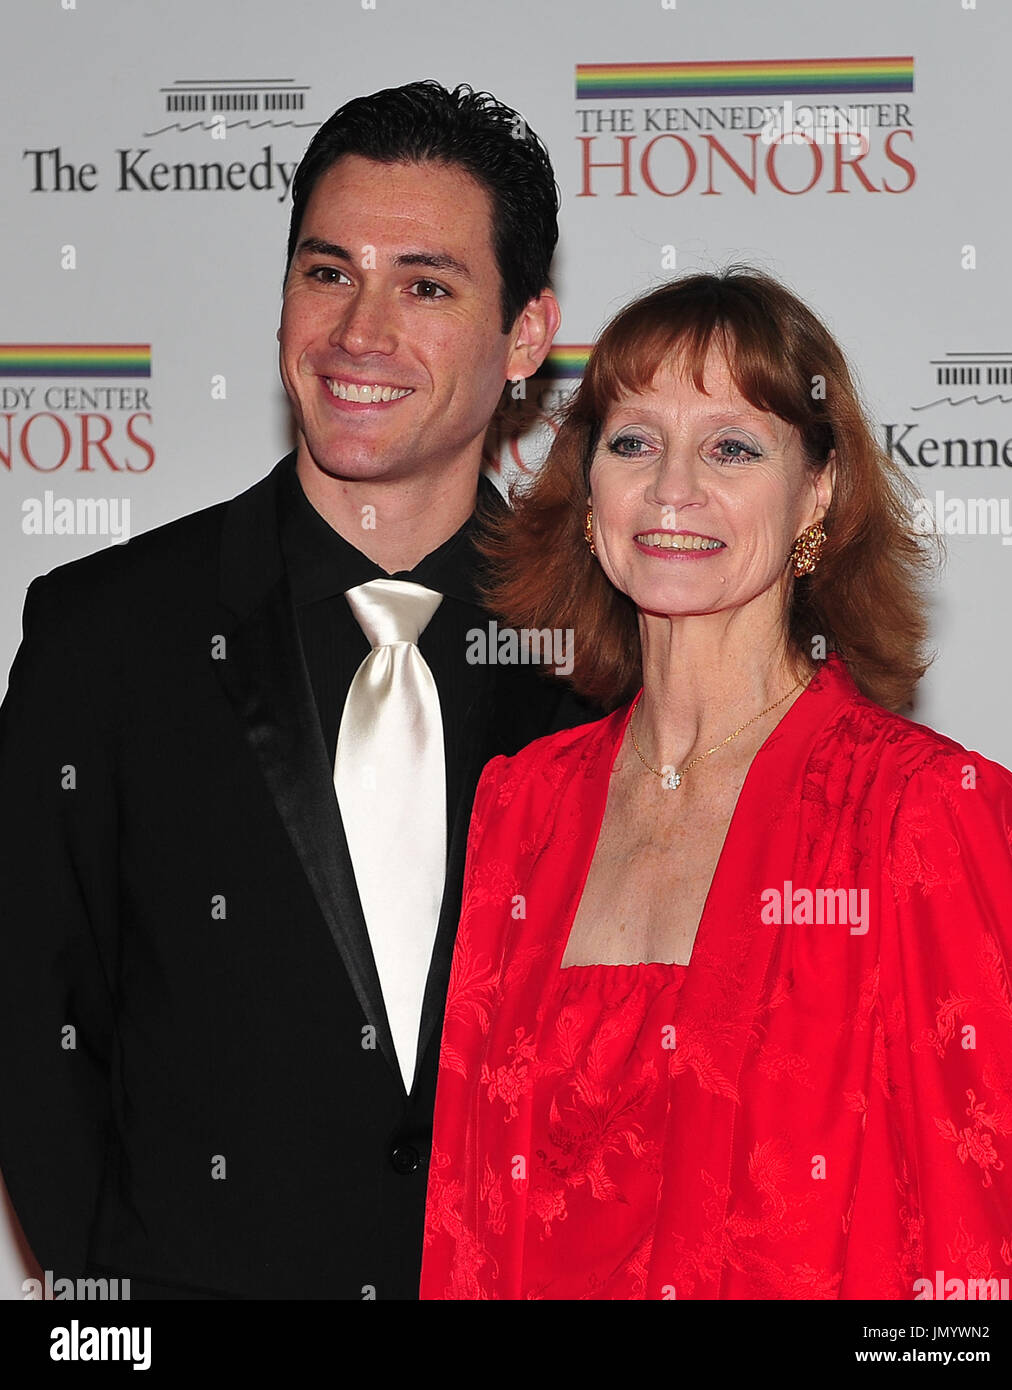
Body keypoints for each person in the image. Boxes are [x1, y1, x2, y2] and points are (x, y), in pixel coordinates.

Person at [0, 80, 596, 1300]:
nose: (358, 333)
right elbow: (30, 1022)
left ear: (526, 335)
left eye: (425, 286)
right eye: (328, 273)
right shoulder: (105, 636)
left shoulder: (602, 651)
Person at [420, 268, 1012, 1300]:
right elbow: (467, 1218)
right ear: (587, 495)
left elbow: (981, 1249)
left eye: (731, 447)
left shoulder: (923, 815)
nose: (671, 489)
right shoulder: (519, 807)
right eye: (631, 442)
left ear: (818, 491)